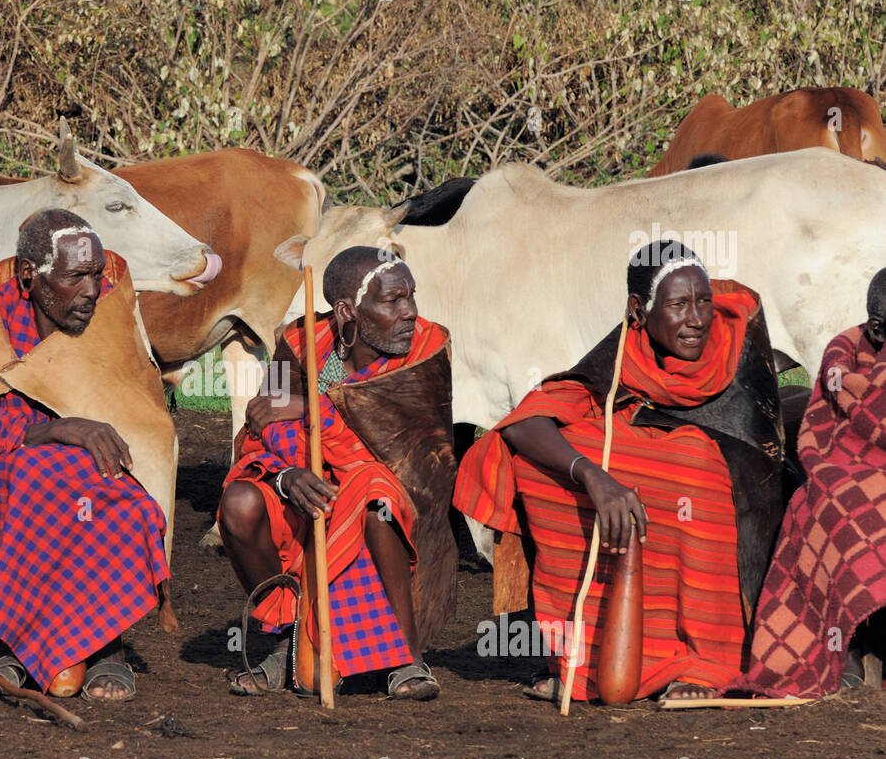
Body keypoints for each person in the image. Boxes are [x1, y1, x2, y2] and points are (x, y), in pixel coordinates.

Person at [453, 241, 786, 703]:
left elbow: (758, 452)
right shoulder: (623, 358)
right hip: (618, 486)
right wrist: (591, 475)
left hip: (722, 496)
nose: (697, 319)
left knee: (694, 461)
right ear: (638, 310)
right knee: (545, 457)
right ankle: (584, 658)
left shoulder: (733, 343)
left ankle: (701, 665)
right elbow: (523, 421)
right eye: (679, 305)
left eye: (704, 301)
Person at [0, 209, 170, 702]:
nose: (92, 291)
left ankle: (106, 646)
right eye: (76, 276)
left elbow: (148, 420)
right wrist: (51, 430)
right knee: (29, 475)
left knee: (115, 492)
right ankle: (6, 641)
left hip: (93, 484)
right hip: (4, 485)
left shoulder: (108, 325)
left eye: (97, 275)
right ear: (31, 277)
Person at [218, 245, 452, 700]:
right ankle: (289, 635)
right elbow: (262, 429)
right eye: (393, 300)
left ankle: (406, 656)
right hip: (312, 488)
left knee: (374, 496)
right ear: (348, 310)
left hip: (398, 492)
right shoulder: (300, 342)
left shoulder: (428, 345)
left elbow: (407, 430)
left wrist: (309, 407)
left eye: (411, 297)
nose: (409, 312)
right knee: (241, 502)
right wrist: (288, 476)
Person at [732, 268, 886, 697]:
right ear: (877, 328)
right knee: (822, 510)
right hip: (848, 468)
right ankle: (846, 646)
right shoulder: (843, 358)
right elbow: (829, 437)